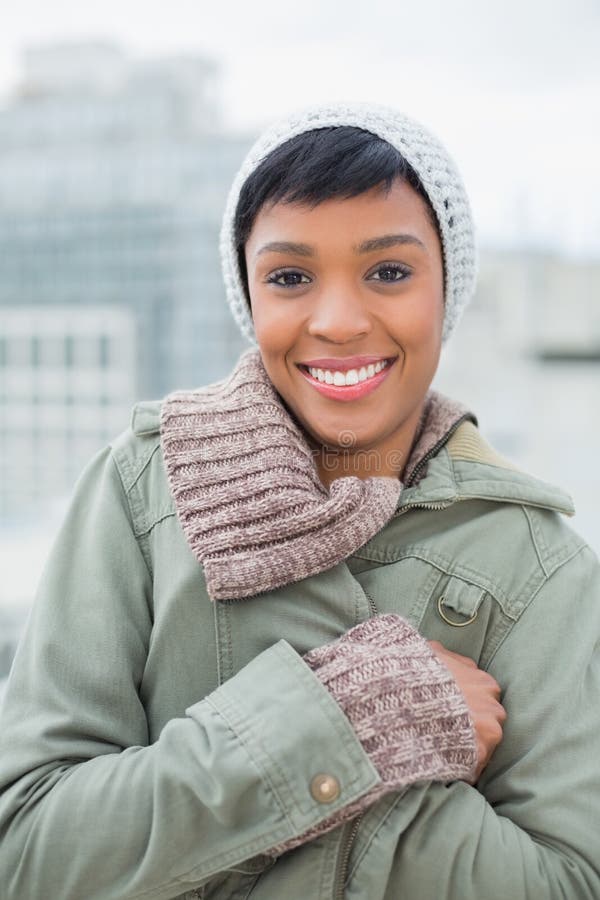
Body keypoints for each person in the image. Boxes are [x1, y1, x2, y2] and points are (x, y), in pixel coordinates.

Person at [0, 102, 598, 900]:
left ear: (448, 285)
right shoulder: (142, 490)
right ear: (248, 295)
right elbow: (29, 850)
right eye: (291, 277)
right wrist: (351, 713)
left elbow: (565, 883)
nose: (340, 321)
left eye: (389, 272)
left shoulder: (539, 566)